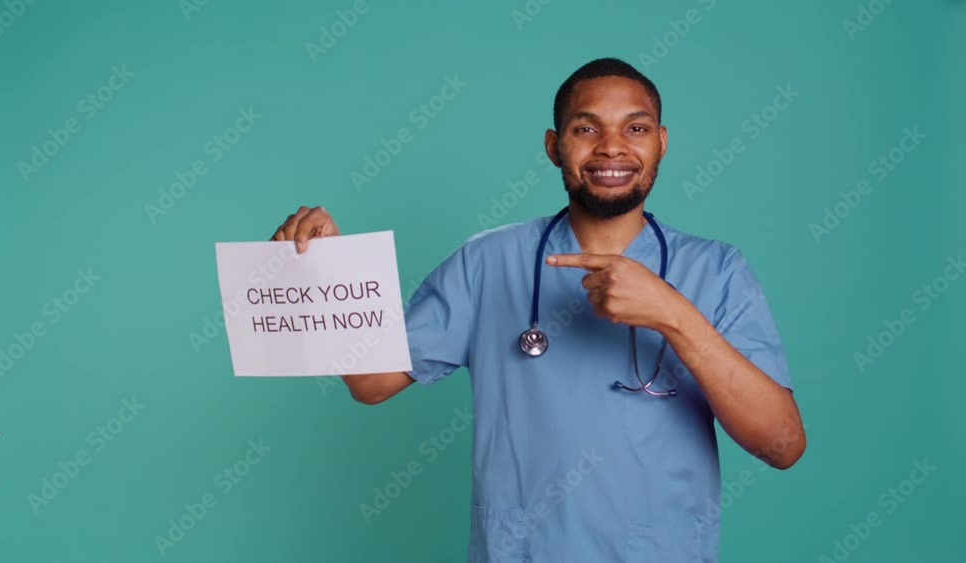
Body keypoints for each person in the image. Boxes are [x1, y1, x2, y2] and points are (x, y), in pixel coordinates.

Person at [272, 57, 805, 563]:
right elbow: (371, 381)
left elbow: (782, 445)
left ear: (662, 143)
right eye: (586, 128)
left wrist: (673, 314)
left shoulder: (717, 271)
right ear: (554, 146)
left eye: (636, 129)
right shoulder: (489, 261)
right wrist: (328, 271)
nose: (612, 147)